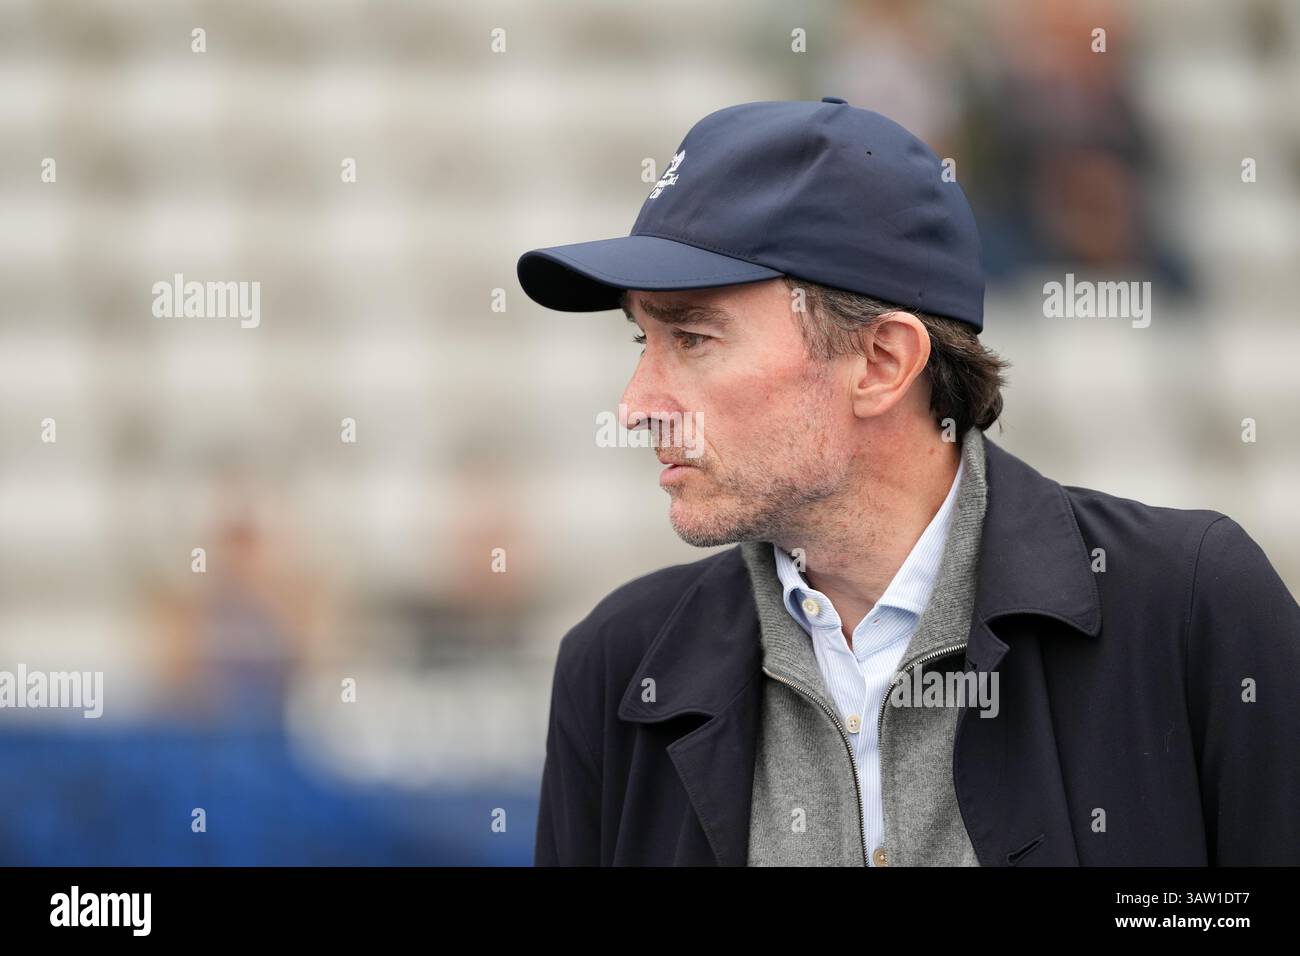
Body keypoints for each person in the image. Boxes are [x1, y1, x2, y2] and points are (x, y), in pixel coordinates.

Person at [516, 98, 1300, 866]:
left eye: (691, 337)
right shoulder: (619, 665)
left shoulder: (1190, 606)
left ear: (883, 363)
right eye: (641, 339)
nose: (635, 405)